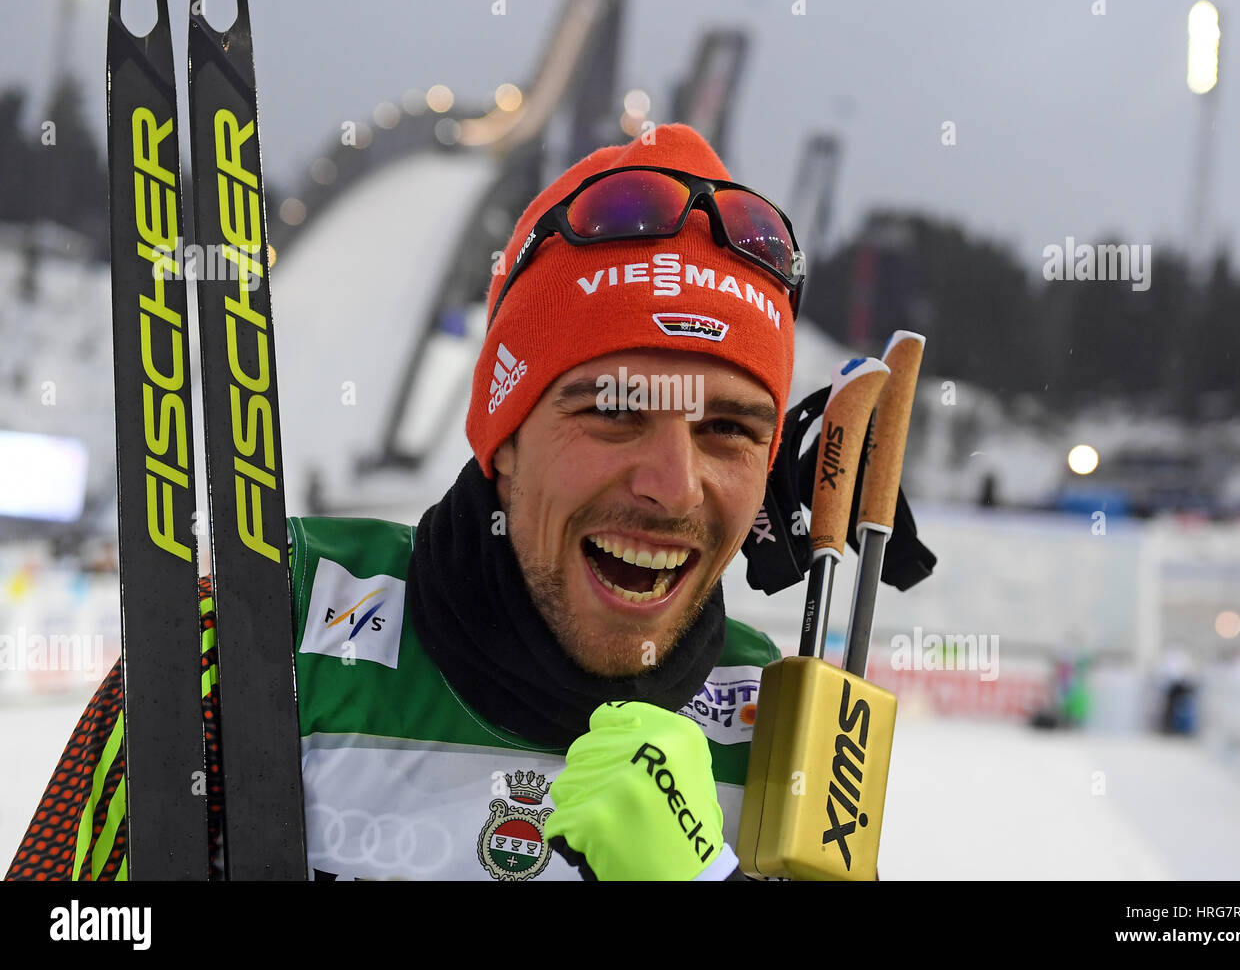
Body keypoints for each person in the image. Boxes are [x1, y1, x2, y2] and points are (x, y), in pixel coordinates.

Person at [7, 123, 804, 881]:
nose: (672, 484)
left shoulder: (780, 740)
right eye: (616, 409)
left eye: (729, 428)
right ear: (507, 433)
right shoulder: (260, 638)